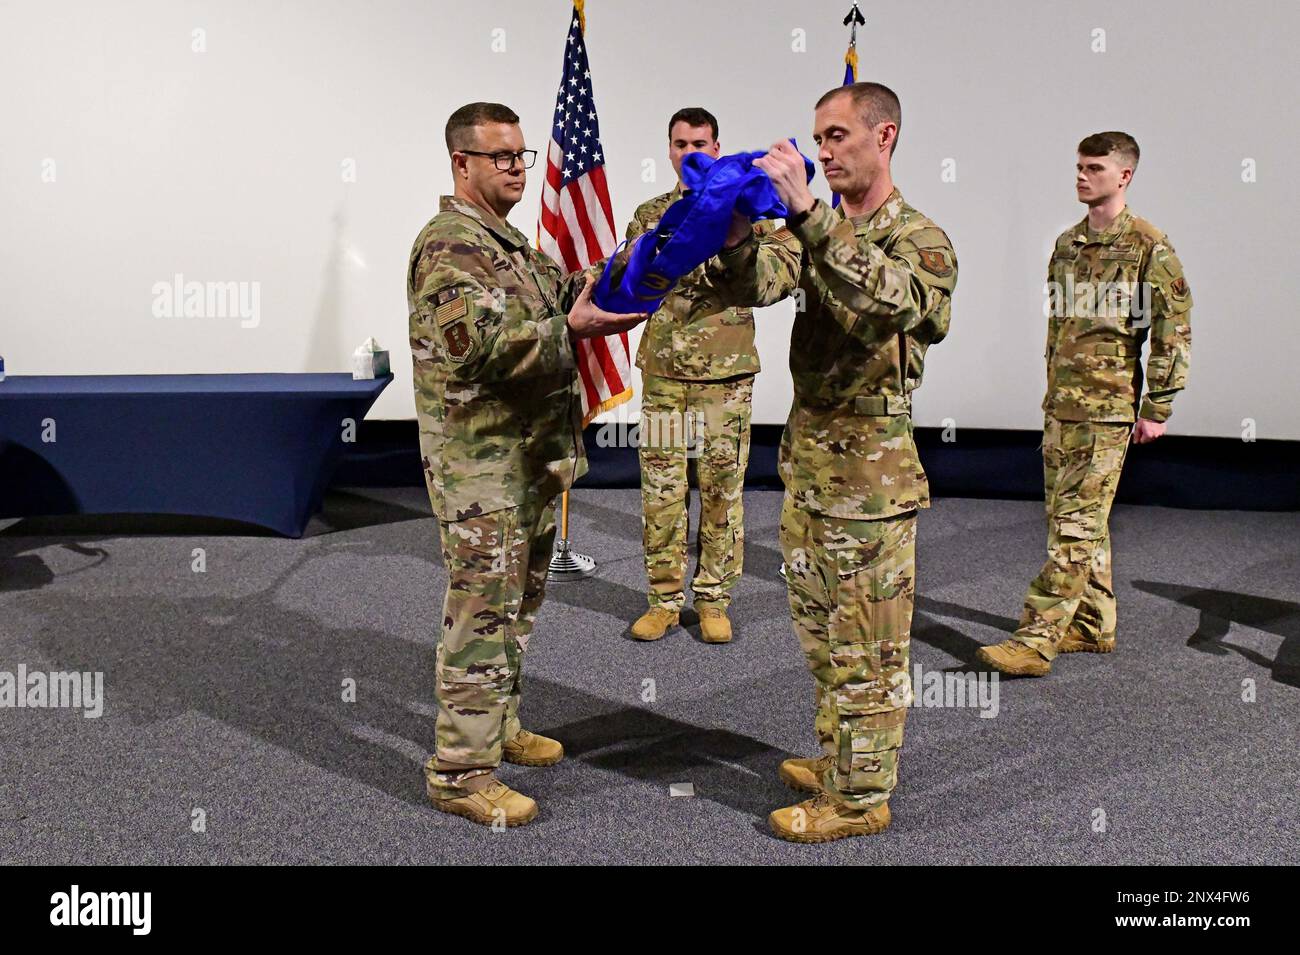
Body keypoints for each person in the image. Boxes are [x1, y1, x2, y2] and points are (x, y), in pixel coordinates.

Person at [704, 82, 957, 841]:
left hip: (871, 482)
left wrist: (811, 219)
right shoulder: (808, 231)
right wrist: (738, 230)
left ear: (884, 139)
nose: (822, 151)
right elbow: (754, 284)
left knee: (867, 647)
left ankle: (860, 798)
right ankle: (841, 757)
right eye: (818, 137)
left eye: (839, 135)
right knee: (822, 636)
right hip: (810, 467)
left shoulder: (920, 238)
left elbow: (895, 304)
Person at [407, 101, 646, 827]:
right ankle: (459, 770)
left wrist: (634, 264)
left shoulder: (506, 241)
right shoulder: (450, 247)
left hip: (528, 461)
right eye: (500, 155)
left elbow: (565, 290)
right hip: (482, 471)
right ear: (462, 164)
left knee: (517, 607)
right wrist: (567, 327)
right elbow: (472, 347)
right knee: (481, 614)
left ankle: (498, 727)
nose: (516, 165)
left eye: (521, 155)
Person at [978, 131, 1192, 677]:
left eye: (1093, 168)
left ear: (1124, 176)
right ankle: (1092, 625)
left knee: (1075, 527)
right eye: (1078, 166)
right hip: (1062, 409)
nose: (1081, 175)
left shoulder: (1149, 246)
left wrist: (1157, 407)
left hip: (1107, 413)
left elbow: (1172, 331)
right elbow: (1060, 329)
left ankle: (1035, 639)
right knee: (1073, 522)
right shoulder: (1067, 245)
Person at [628, 107, 762, 645]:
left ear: (717, 146)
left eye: (700, 143)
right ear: (668, 150)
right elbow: (636, 280)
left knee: (721, 487)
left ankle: (713, 599)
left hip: (725, 376)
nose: (690, 152)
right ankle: (663, 599)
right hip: (663, 372)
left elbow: (760, 280)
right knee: (661, 489)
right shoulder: (649, 214)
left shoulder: (745, 215)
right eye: (680, 143)